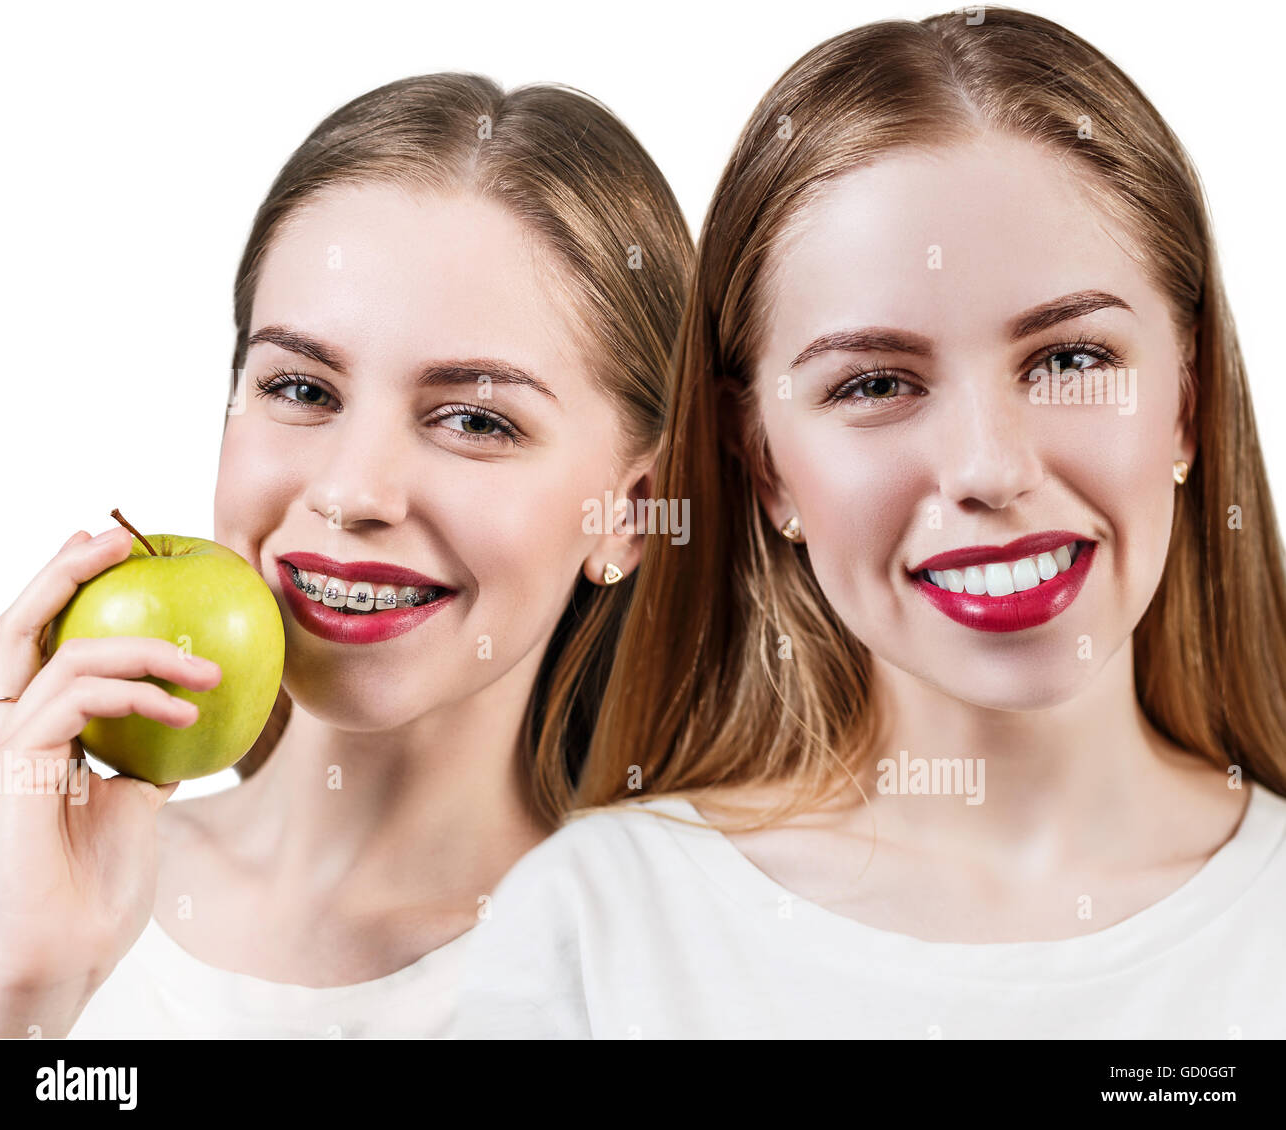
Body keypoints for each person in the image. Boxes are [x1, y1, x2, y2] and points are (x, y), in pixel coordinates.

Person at [451, 8, 1286, 1039]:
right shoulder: (596, 930)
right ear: (761, 464)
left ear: (1188, 402)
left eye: (1069, 359)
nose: (989, 466)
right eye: (876, 381)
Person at [0, 73, 691, 1038]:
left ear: (633, 512)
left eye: (476, 418)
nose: (353, 492)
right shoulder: (25, 896)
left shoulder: (671, 985)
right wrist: (22, 1002)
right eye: (304, 390)